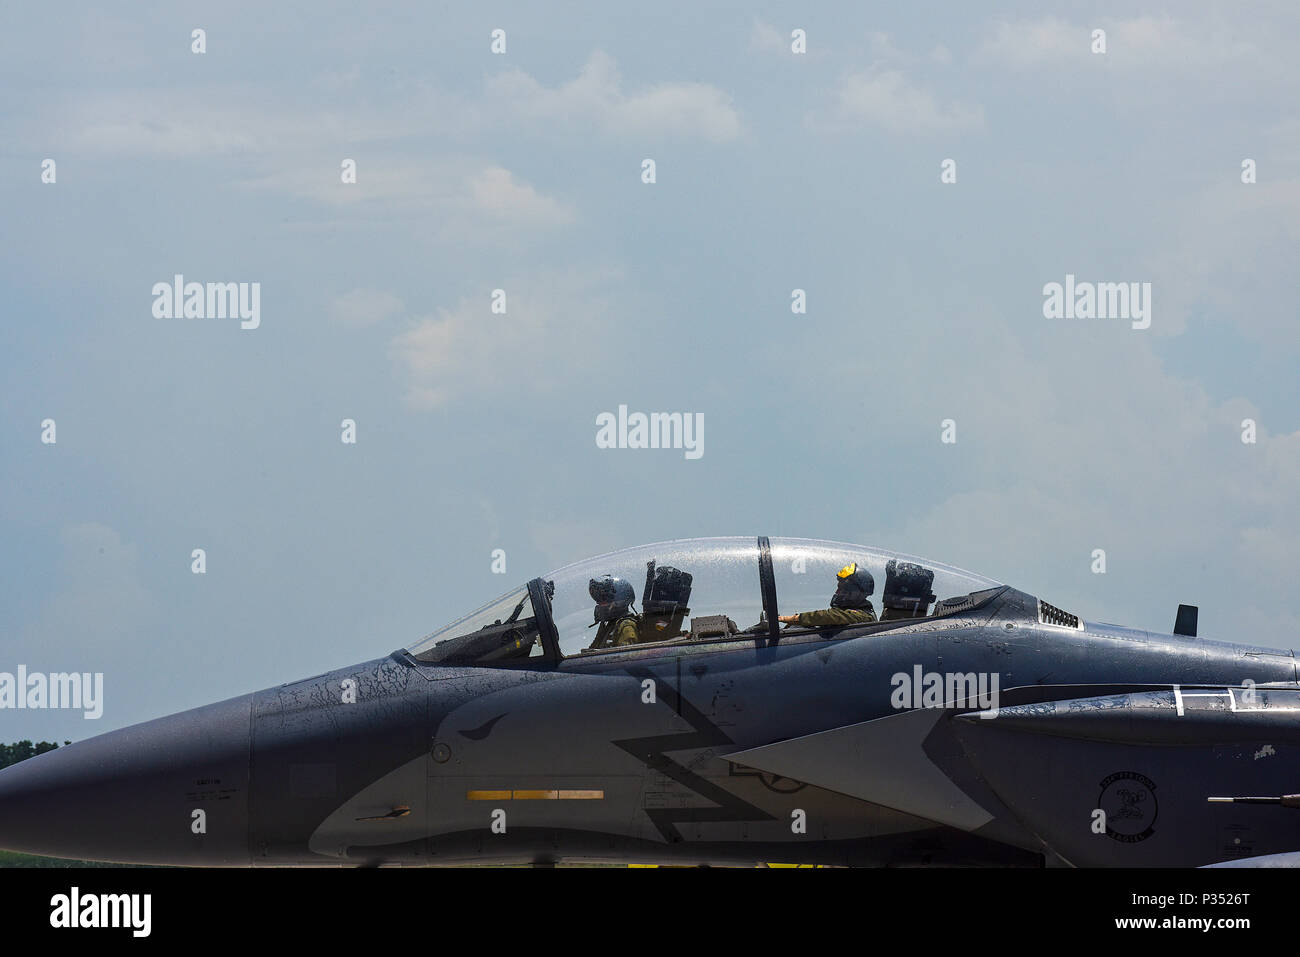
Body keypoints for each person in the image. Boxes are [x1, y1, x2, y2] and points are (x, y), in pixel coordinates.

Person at [778, 562, 877, 627]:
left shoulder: (864, 616)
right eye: (838, 588)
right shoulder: (846, 614)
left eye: (843, 589)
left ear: (859, 593)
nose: (837, 592)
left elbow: (829, 616)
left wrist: (787, 619)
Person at [587, 576, 642, 649]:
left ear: (619, 602)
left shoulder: (626, 626)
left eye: (604, 601)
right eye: (599, 602)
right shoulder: (609, 626)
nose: (599, 605)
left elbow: (627, 656)